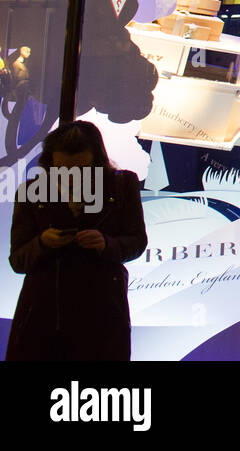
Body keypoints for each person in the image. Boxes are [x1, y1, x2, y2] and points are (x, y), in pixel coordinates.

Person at [6, 120, 147, 360]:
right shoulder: (31, 192)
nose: (70, 177)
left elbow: (137, 241)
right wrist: (42, 243)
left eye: (81, 169)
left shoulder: (122, 186)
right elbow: (18, 260)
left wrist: (106, 244)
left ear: (97, 162)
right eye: (62, 169)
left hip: (102, 314)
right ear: (50, 163)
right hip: (44, 315)